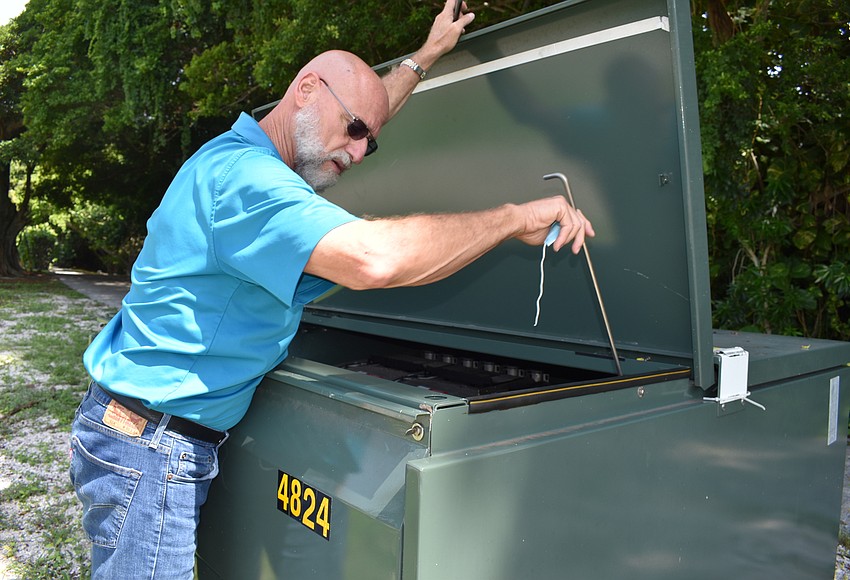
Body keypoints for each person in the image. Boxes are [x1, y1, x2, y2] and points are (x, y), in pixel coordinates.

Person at [69, 1, 595, 578]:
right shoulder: (246, 182)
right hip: (152, 448)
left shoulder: (246, 158)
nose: (358, 152)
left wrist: (424, 57)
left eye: (370, 141)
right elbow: (376, 259)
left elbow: (362, 111)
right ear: (307, 88)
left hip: (150, 435)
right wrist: (514, 217)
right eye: (353, 133)